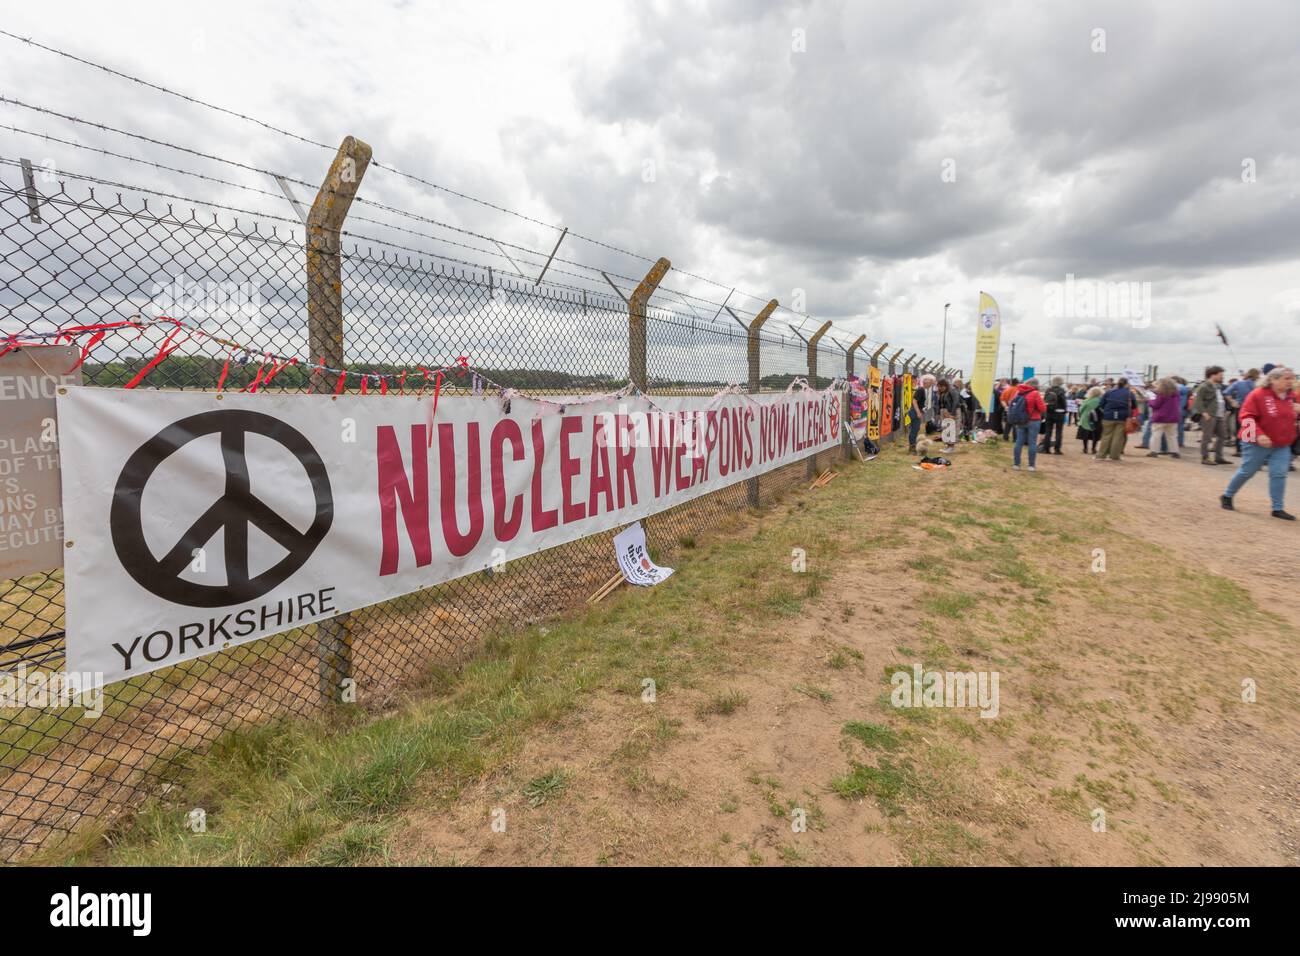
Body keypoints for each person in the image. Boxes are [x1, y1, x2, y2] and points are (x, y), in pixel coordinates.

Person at [1221, 367, 1299, 520]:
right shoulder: (1258, 395)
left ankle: (1277, 508)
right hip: (1256, 442)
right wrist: (1259, 435)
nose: (1291, 381)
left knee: (1279, 474)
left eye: (1292, 378)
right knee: (1248, 471)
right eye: (1286, 378)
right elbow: (1246, 417)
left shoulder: (1290, 397)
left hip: (1281, 443)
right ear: (1272, 380)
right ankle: (1227, 495)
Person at [1192, 366, 1230, 466]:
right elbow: (1197, 401)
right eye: (1220, 375)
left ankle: (1219, 457)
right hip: (1210, 415)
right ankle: (1205, 457)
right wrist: (1204, 413)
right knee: (1207, 437)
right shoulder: (1204, 386)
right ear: (1213, 375)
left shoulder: (1217, 386)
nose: (1222, 377)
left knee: (1222, 436)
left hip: (1219, 415)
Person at [1007, 377, 1046, 471]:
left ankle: (1016, 464)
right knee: (1032, 442)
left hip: (1021, 420)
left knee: (1019, 441)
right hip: (1034, 420)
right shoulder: (1035, 393)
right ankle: (1031, 466)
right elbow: (1042, 409)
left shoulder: (1019, 392)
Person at [1095, 377, 1137, 461]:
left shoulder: (1109, 392)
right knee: (1118, 437)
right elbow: (1134, 406)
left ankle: (1101, 455)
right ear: (1126, 384)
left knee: (1106, 436)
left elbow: (1101, 404)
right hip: (1122, 417)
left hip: (1108, 416)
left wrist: (1107, 409)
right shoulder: (1129, 393)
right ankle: (1114, 456)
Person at [1144, 378, 1182, 458]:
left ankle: (1154, 451)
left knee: (1156, 435)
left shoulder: (1161, 394)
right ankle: (1174, 451)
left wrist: (1150, 400)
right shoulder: (1176, 393)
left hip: (1160, 417)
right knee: (1172, 436)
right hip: (1173, 417)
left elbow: (1155, 405)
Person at [1224, 369, 1259, 457]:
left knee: (1239, 429)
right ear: (1257, 376)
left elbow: (1226, 392)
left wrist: (1232, 401)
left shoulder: (1239, 383)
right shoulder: (1258, 385)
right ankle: (1249, 450)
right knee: (1251, 430)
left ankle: (1238, 449)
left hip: (1240, 408)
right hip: (1254, 410)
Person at [1038, 376, 1068, 454]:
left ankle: (1046, 449)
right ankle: (1057, 449)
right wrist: (1065, 410)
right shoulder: (1061, 390)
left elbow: (1044, 401)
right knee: (1058, 431)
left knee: (1048, 431)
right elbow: (1064, 402)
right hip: (1059, 413)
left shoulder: (1048, 390)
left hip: (1049, 412)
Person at [908, 374, 932, 453]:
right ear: (925, 382)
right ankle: (912, 447)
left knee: (916, 429)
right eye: (930, 382)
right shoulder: (921, 390)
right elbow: (914, 401)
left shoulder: (923, 390)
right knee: (914, 429)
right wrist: (918, 412)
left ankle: (913, 446)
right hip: (914, 411)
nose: (931, 384)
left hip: (917, 411)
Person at [1076, 385, 1103, 454]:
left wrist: (1080, 416)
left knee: (1085, 433)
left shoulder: (1086, 400)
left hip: (1085, 418)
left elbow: (1081, 409)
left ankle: (1085, 448)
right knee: (1095, 434)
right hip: (1097, 419)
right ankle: (1093, 449)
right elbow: (1103, 410)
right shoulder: (1100, 401)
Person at [935, 378, 960, 451]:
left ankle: (952, 447)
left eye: (940, 386)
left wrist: (952, 413)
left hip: (952, 411)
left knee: (952, 429)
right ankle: (948, 446)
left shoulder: (952, 390)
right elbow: (941, 404)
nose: (939, 388)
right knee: (946, 429)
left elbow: (956, 401)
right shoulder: (943, 392)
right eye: (938, 387)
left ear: (944, 385)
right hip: (945, 412)